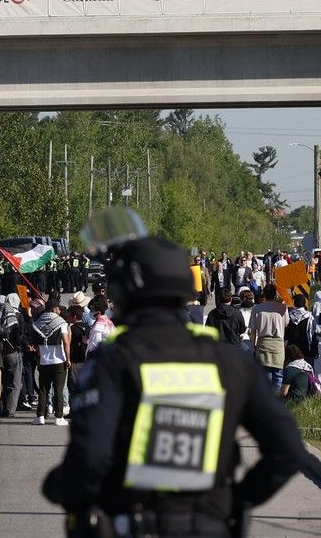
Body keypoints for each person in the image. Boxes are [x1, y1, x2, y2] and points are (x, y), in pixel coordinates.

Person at [43, 207, 307, 538]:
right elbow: (288, 450)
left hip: (134, 524)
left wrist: (60, 485)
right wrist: (237, 502)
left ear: (126, 289)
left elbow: (90, 458)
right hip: (211, 526)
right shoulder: (228, 360)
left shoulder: (114, 361)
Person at [33, 297, 70, 426]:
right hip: (59, 360)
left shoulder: (38, 322)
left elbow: (35, 343)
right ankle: (58, 417)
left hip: (44, 361)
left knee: (44, 389)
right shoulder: (61, 323)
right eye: (58, 308)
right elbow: (66, 342)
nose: (59, 310)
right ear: (53, 309)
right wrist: (68, 359)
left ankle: (40, 416)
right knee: (58, 389)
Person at [248, 283, 289, 392]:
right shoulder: (283, 308)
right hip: (278, 345)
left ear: (264, 294)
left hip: (263, 344)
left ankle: (267, 401)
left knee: (265, 376)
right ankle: (277, 402)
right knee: (278, 375)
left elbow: (253, 332)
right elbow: (286, 324)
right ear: (275, 294)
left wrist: (253, 346)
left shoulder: (257, 308)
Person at [0, 292, 24, 418]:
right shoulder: (15, 319)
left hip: (0, 353)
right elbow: (19, 337)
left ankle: (0, 407)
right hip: (13, 353)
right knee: (14, 382)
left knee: (3, 381)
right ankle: (10, 410)